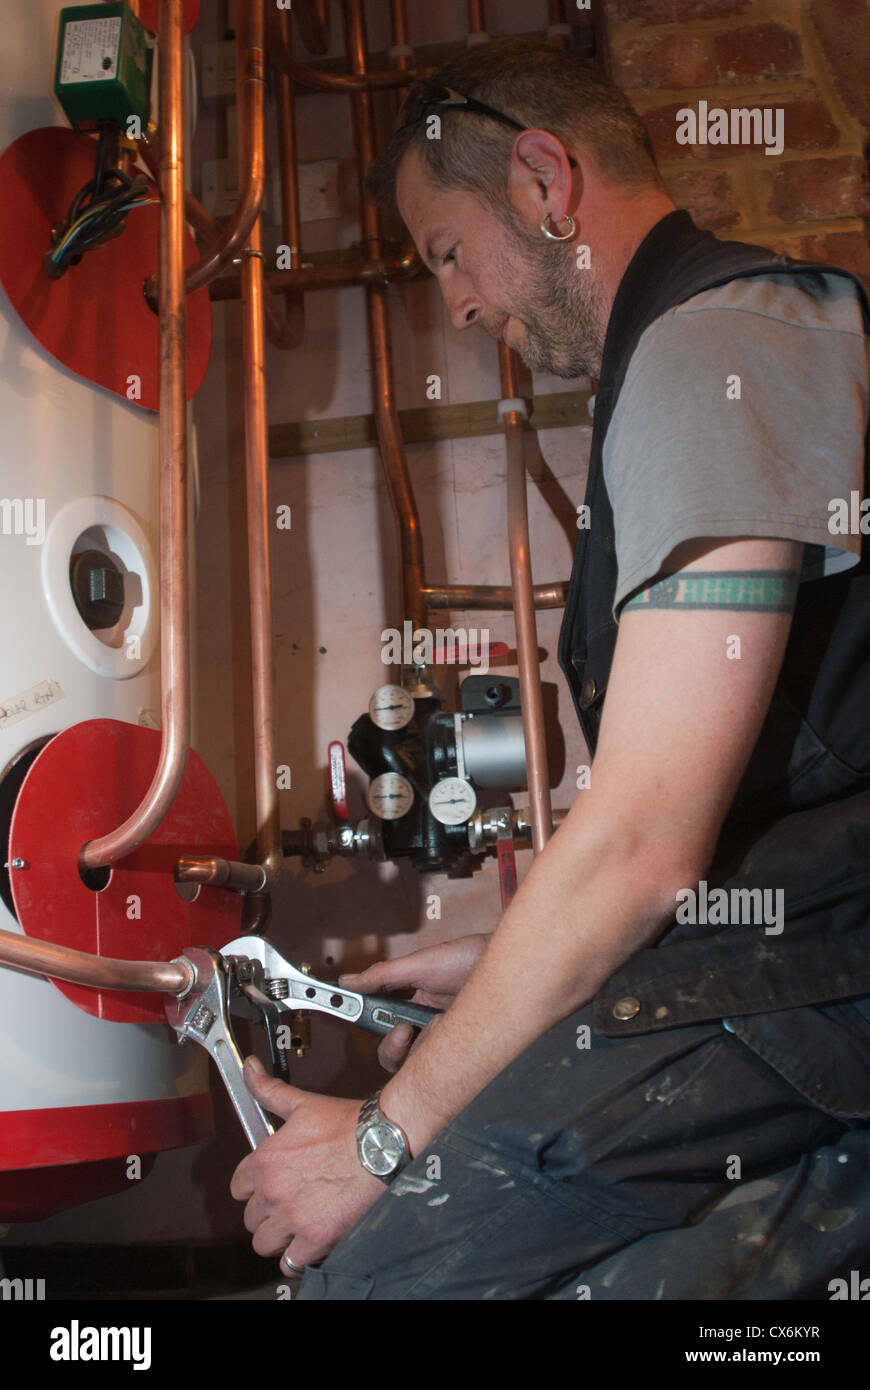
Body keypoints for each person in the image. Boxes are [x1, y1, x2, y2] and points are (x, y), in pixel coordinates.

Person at [230, 37, 870, 1300]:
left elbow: (643, 842)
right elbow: (724, 815)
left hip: (840, 970)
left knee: (377, 1276)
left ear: (540, 178)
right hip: (812, 940)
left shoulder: (710, 352)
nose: (457, 306)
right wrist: (515, 951)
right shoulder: (721, 339)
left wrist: (376, 1139)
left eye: (447, 253)